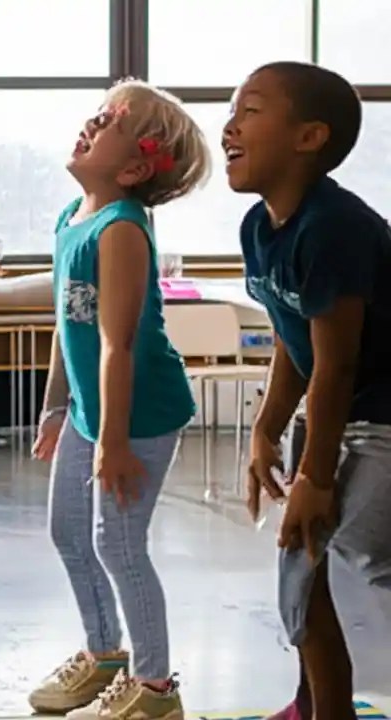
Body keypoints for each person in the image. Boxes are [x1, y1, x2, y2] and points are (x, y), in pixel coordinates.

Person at [29, 79, 212, 719]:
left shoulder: (123, 229)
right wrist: (57, 408)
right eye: (97, 113)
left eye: (107, 122)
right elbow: (66, 324)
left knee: (119, 543)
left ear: (135, 167)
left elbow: (118, 344)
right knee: (68, 532)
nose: (90, 123)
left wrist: (112, 441)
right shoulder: (70, 217)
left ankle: (156, 688)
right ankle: (105, 652)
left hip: (139, 411)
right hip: (91, 409)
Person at [226, 61, 391, 720]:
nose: (230, 126)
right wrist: (266, 429)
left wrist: (315, 478)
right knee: (302, 574)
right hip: (330, 416)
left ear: (309, 137)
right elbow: (295, 343)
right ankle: (319, 707)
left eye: (252, 110)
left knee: (355, 575)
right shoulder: (260, 229)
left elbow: (338, 365)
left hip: (379, 421)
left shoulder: (335, 228)